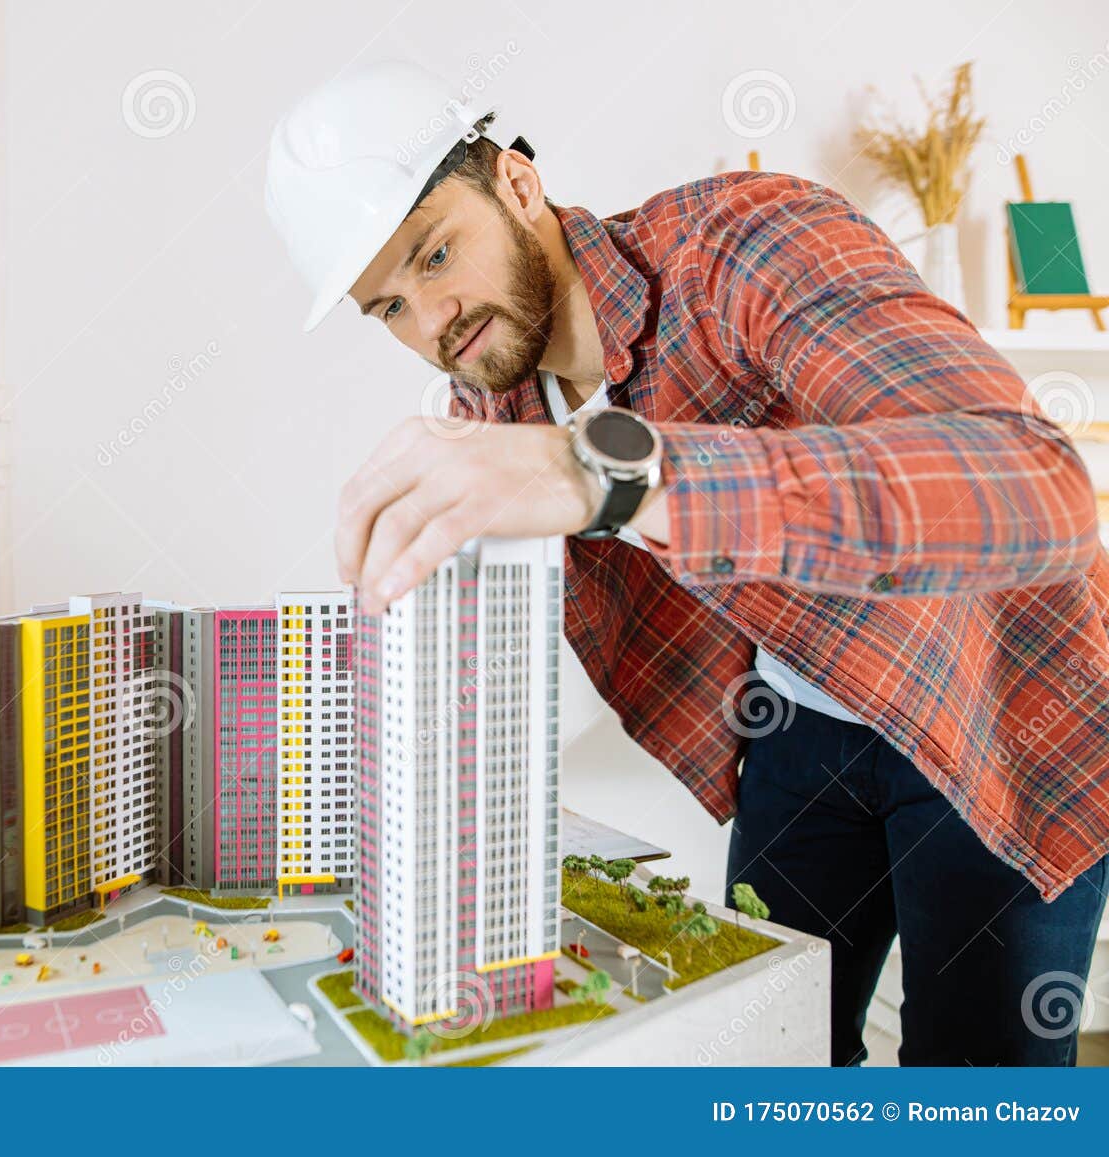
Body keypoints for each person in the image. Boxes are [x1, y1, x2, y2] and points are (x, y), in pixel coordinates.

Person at [264, 60, 1109, 1066]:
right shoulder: (493, 398)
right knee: (777, 1046)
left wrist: (605, 474)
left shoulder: (743, 242)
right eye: (391, 307)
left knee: (975, 1087)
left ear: (518, 185)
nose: (433, 322)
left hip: (993, 708)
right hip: (798, 720)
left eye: (436, 253)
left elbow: (1028, 479)